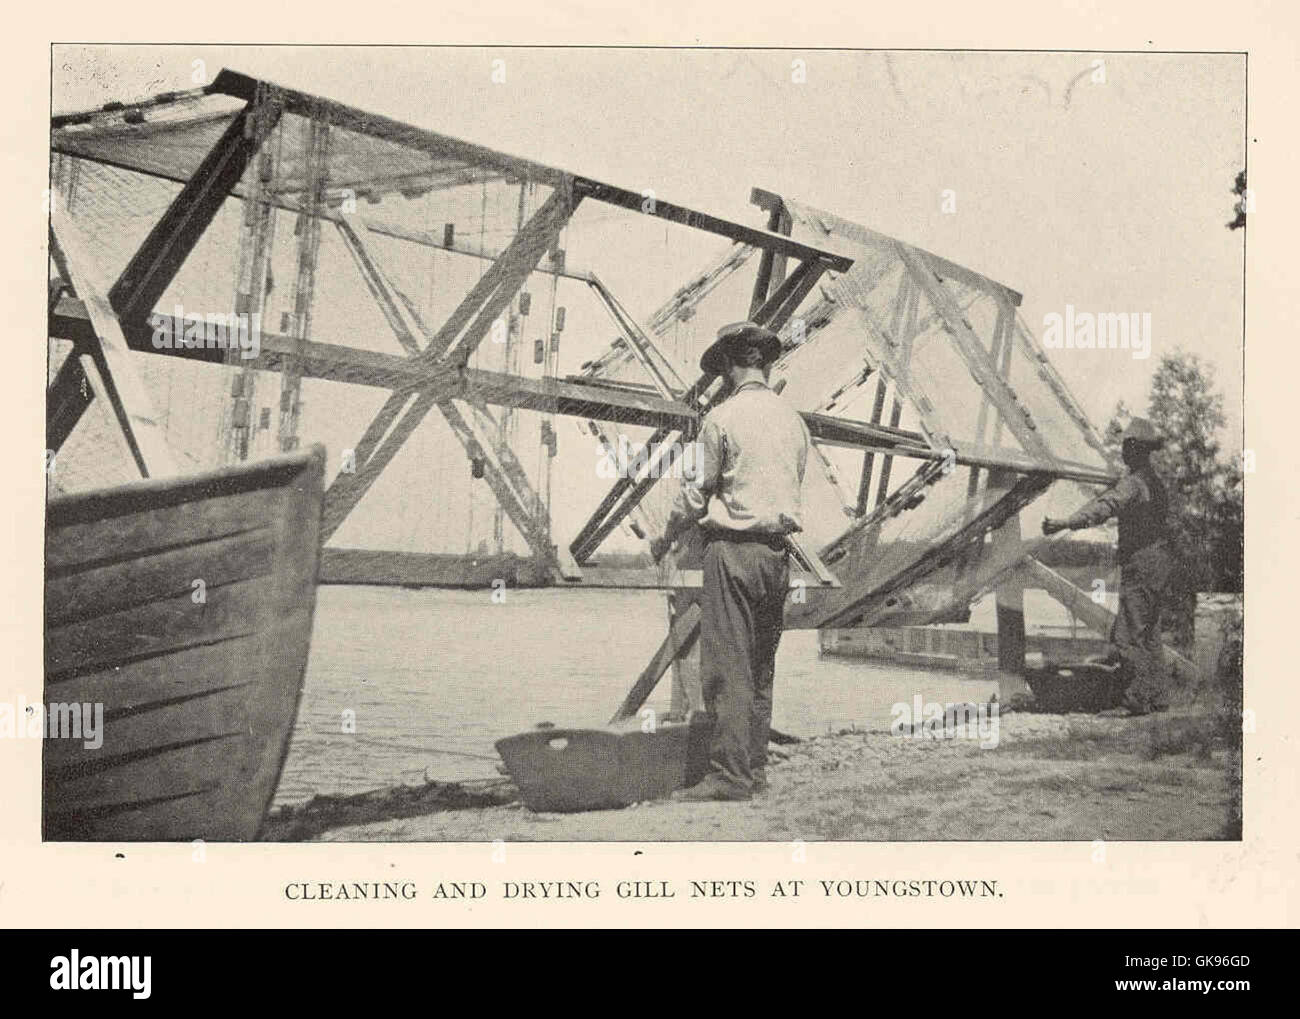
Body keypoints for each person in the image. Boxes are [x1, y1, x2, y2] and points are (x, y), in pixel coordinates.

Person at [650, 321, 812, 801]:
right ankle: (753, 769)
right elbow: (792, 480)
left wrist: (665, 536)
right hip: (778, 555)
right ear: (764, 362)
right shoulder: (792, 420)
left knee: (727, 666)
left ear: (728, 366)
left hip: (733, 551)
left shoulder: (721, 419)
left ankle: (729, 776)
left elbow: (695, 494)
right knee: (761, 666)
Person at [1041, 417, 1172, 715]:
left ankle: (1135, 700)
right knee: (1150, 631)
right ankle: (1159, 697)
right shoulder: (1155, 484)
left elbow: (1107, 506)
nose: (1123, 451)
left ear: (1136, 449)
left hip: (1140, 563)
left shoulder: (1134, 483)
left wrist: (1066, 522)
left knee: (1129, 633)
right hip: (1160, 563)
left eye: (1127, 446)